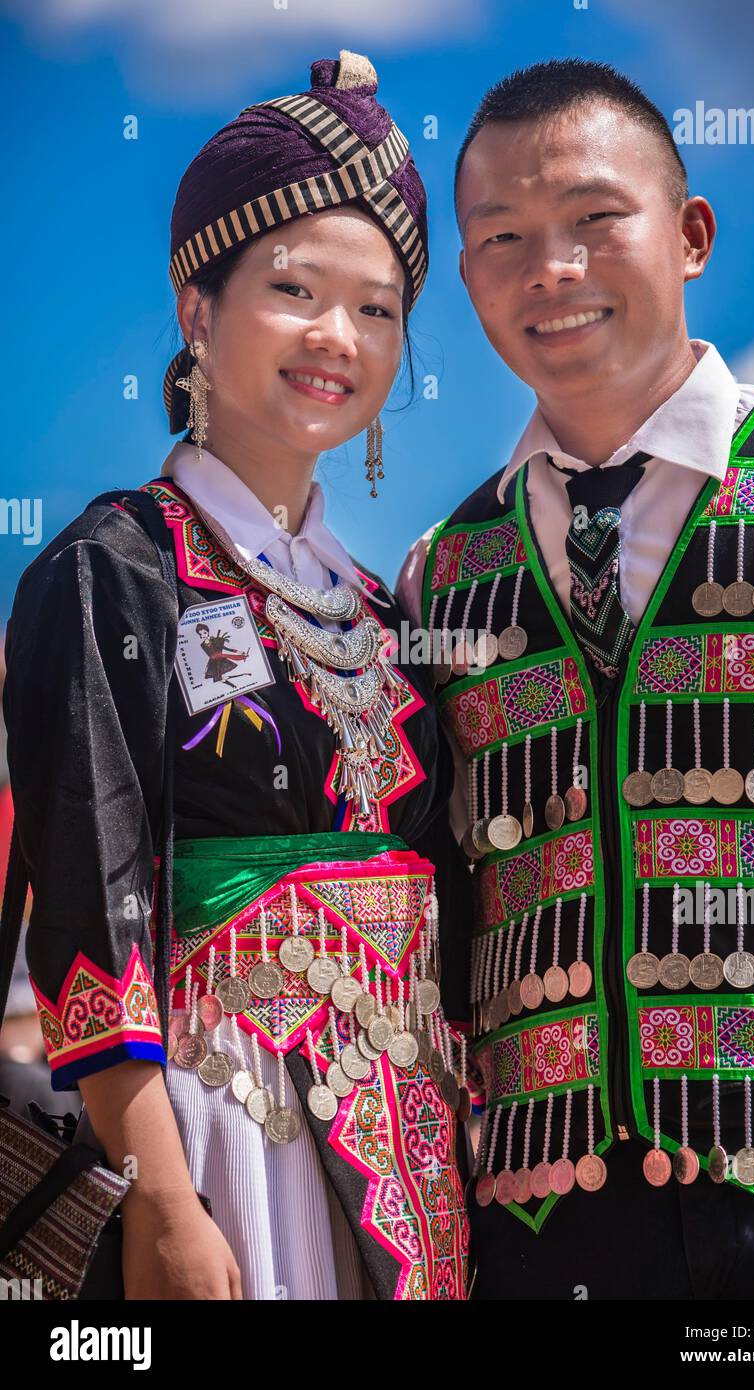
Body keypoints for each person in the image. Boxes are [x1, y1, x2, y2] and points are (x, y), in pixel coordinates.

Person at [4, 50, 472, 1302]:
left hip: (417, 1170)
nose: (340, 338)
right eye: (294, 290)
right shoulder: (113, 571)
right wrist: (163, 1202)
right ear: (197, 308)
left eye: (377, 310)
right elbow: (89, 908)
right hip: (229, 1158)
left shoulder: (385, 605)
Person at [399, 58, 754, 1300]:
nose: (550, 269)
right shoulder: (438, 573)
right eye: (501, 238)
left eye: (595, 221)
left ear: (690, 234)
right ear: (468, 281)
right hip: (551, 1235)